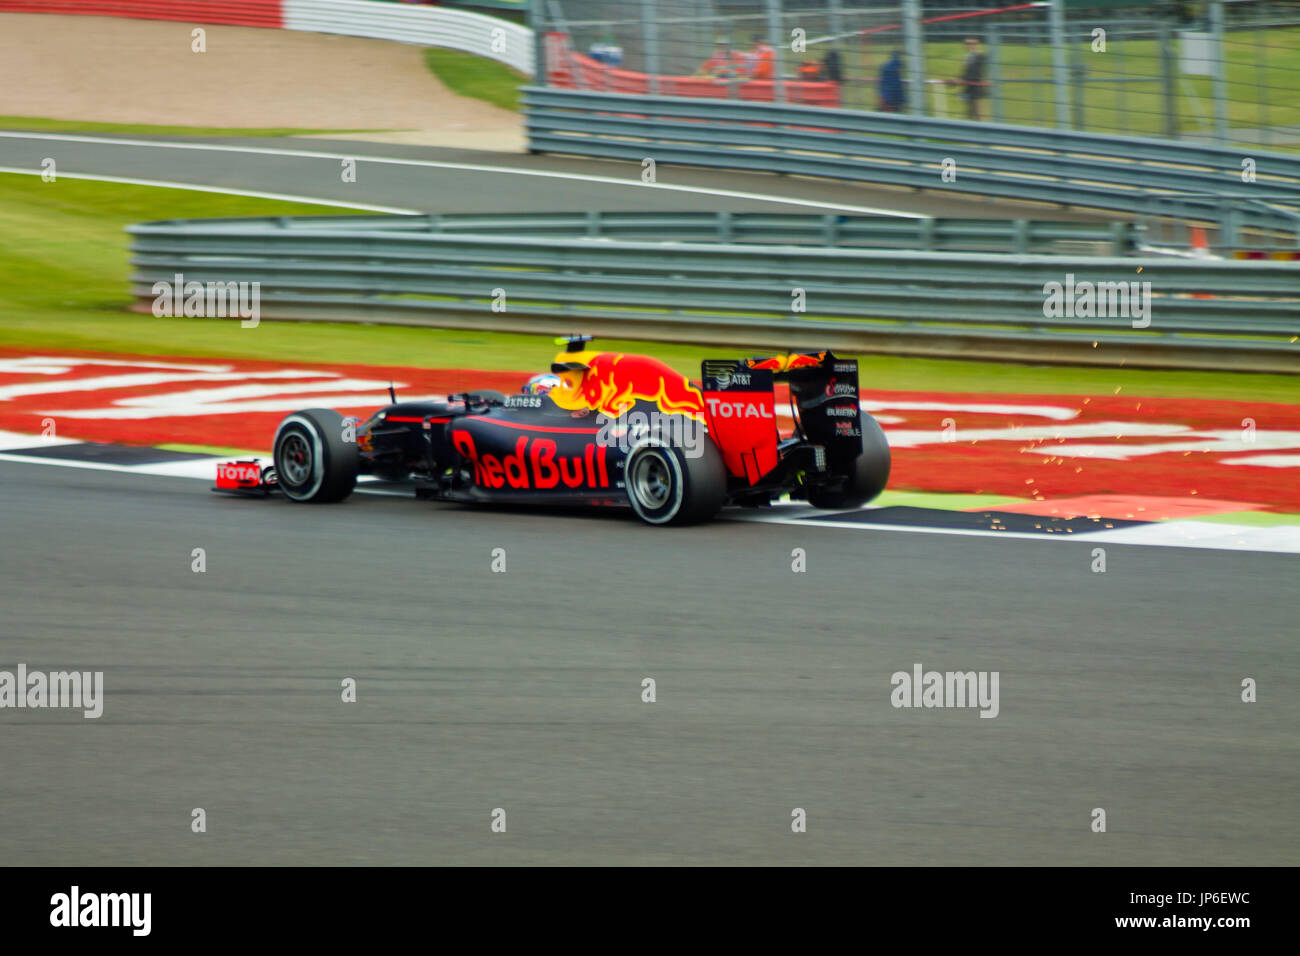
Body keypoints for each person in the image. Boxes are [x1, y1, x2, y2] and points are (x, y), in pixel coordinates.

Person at [952, 36, 988, 120]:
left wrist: (960, 80)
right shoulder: (967, 57)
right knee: (969, 114)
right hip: (968, 89)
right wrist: (958, 79)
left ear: (978, 45)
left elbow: (976, 73)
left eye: (973, 43)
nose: (970, 46)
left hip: (976, 89)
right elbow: (965, 72)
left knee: (978, 114)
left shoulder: (980, 56)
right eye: (967, 43)